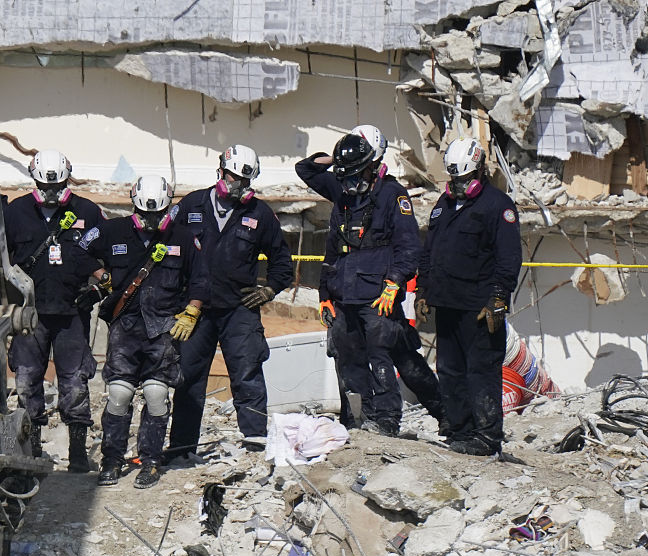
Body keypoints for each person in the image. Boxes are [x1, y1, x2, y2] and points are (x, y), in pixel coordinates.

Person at [296, 125, 443, 431]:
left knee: (386, 356)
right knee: (348, 358)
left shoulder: (392, 194)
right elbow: (306, 170)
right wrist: (324, 294)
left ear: (372, 166)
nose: (348, 183)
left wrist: (394, 282)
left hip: (378, 294)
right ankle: (358, 420)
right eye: (344, 176)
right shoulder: (343, 189)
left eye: (354, 175)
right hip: (343, 293)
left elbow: (408, 247)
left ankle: (393, 421)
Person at [74, 175, 207, 489]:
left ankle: (150, 461)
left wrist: (192, 310)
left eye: (158, 214)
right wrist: (102, 275)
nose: (151, 220)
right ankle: (112, 460)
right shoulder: (112, 231)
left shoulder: (183, 238)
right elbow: (78, 250)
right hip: (125, 327)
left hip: (164, 328)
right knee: (119, 394)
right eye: (146, 214)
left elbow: (201, 278)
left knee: (156, 395)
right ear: (134, 205)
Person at [168, 145, 293, 458]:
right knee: (188, 376)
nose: (237, 184)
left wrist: (269, 289)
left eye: (244, 180)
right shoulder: (192, 204)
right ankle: (182, 447)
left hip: (239, 309)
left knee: (247, 372)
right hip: (195, 309)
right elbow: (166, 246)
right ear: (221, 171)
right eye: (233, 176)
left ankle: (255, 441)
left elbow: (281, 261)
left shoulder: (260, 214)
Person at [418, 137, 521, 456]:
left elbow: (508, 257)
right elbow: (430, 251)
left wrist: (498, 297)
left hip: (480, 307)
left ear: (478, 172)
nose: (459, 185)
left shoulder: (498, 206)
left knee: (481, 371)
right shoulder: (443, 205)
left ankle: (487, 436)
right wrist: (424, 290)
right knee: (450, 371)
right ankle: (460, 431)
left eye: (464, 179)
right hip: (447, 303)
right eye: (454, 179)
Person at [5, 148, 104, 471]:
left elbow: (108, 256)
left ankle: (77, 453)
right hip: (29, 315)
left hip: (72, 313)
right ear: (34, 180)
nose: (51, 192)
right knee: (26, 380)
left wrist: (99, 287)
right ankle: (32, 449)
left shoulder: (87, 211)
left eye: (57, 185)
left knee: (75, 383)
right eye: (45, 186)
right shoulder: (16, 212)